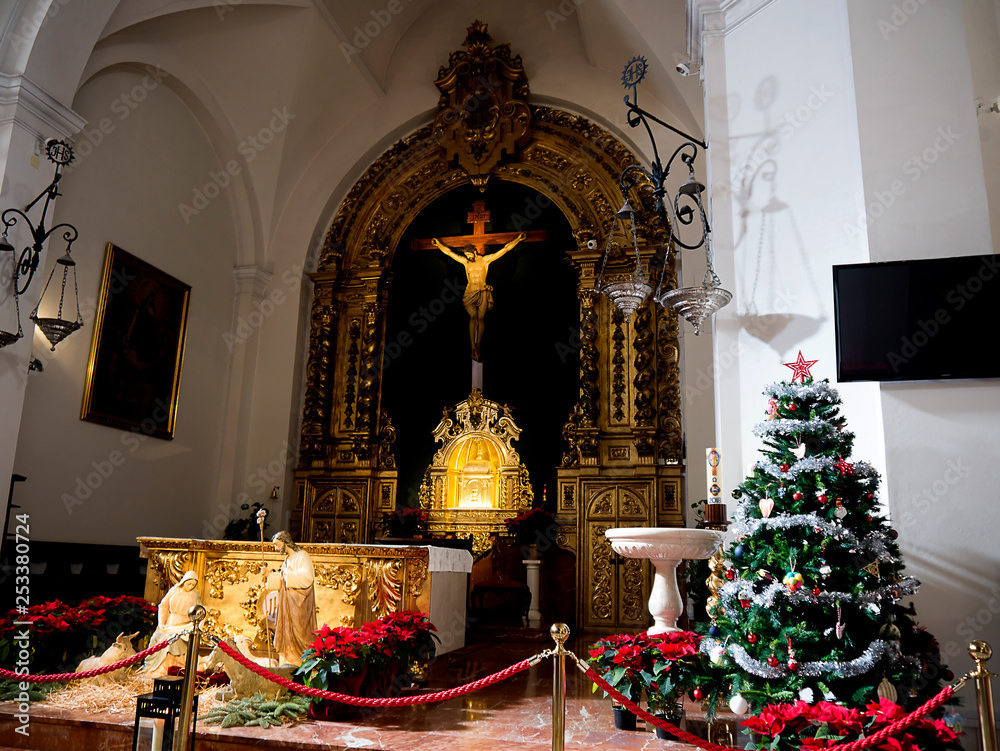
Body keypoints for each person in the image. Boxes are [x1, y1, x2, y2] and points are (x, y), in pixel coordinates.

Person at [430, 232, 527, 361]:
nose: (468, 257)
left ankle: (479, 345)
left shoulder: (485, 260)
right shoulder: (465, 262)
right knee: (472, 316)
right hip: (469, 292)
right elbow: (448, 253)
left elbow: (504, 249)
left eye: (469, 254)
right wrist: (438, 245)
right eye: (466, 255)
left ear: (474, 251)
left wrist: (518, 240)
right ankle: (472, 347)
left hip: (482, 292)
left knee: (480, 319)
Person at [139, 570, 202, 676]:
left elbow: (199, 609)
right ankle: (160, 666)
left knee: (175, 642)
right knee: (164, 639)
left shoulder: (195, 594)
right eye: (189, 583)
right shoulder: (174, 590)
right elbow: (163, 606)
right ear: (184, 581)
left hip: (185, 625)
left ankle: (175, 667)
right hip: (170, 622)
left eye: (193, 585)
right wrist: (161, 623)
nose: (191, 586)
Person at [269, 531, 317, 666]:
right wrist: (269, 575)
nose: (276, 548)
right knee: (287, 631)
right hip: (288, 602)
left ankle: (303, 662)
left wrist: (286, 574)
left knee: (301, 632)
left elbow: (307, 578)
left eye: (277, 544)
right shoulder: (287, 559)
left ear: (284, 542)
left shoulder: (302, 556)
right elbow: (283, 579)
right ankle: (289, 660)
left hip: (300, 603)